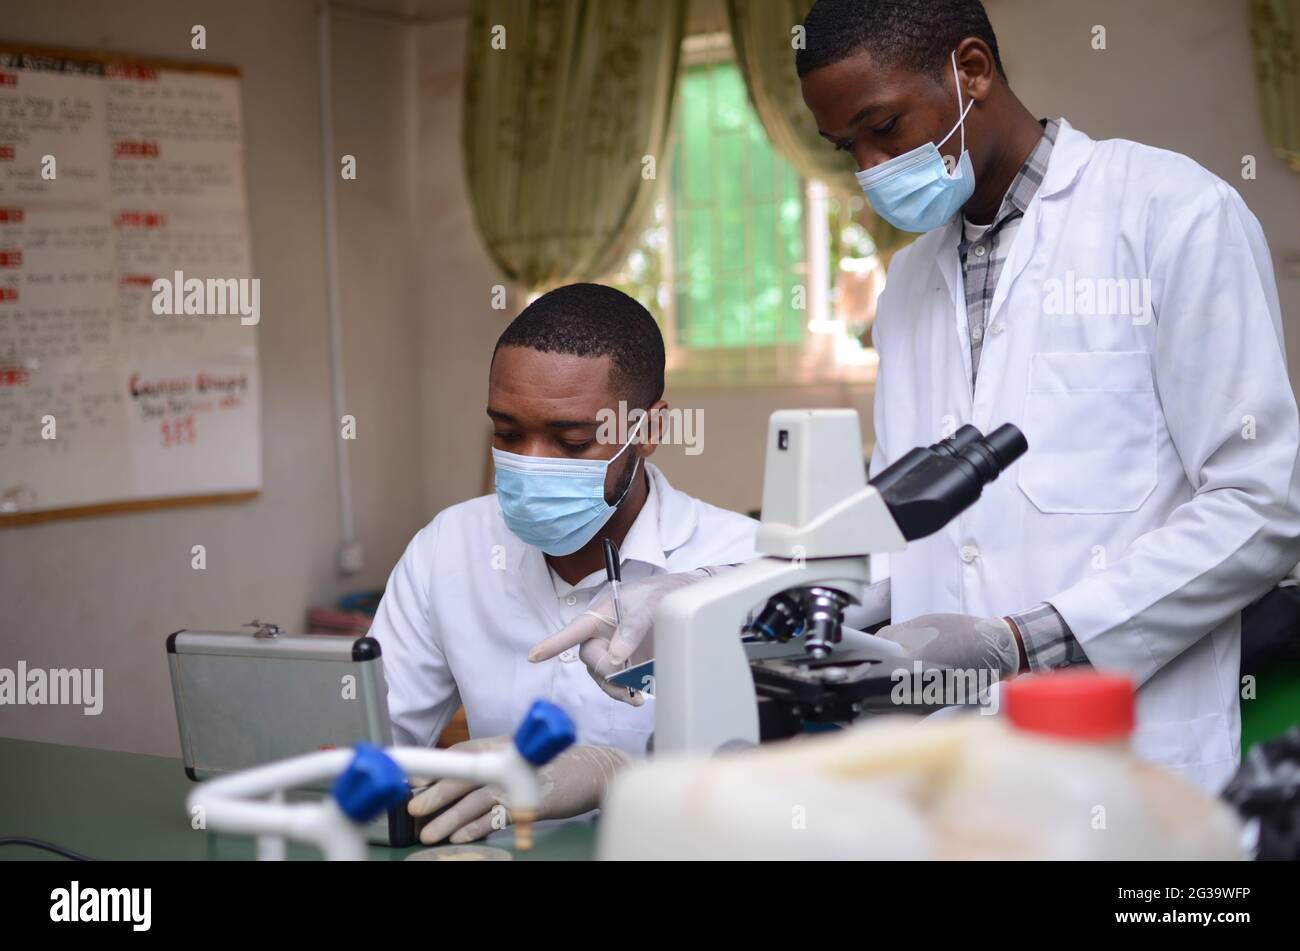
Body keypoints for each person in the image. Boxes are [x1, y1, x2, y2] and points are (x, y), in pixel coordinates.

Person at [540, 0, 1300, 793]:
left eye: (885, 127)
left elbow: (1262, 505)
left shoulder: (1171, 216)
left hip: (1132, 769)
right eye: (848, 148)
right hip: (949, 776)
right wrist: (710, 598)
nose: (870, 169)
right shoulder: (906, 284)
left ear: (970, 70)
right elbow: (887, 537)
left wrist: (1024, 641)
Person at [370, 283, 757, 844]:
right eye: (506, 433)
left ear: (648, 430)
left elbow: (801, 787)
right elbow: (374, 743)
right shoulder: (449, 548)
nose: (529, 466)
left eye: (572, 442)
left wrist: (622, 777)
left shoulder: (744, 564)